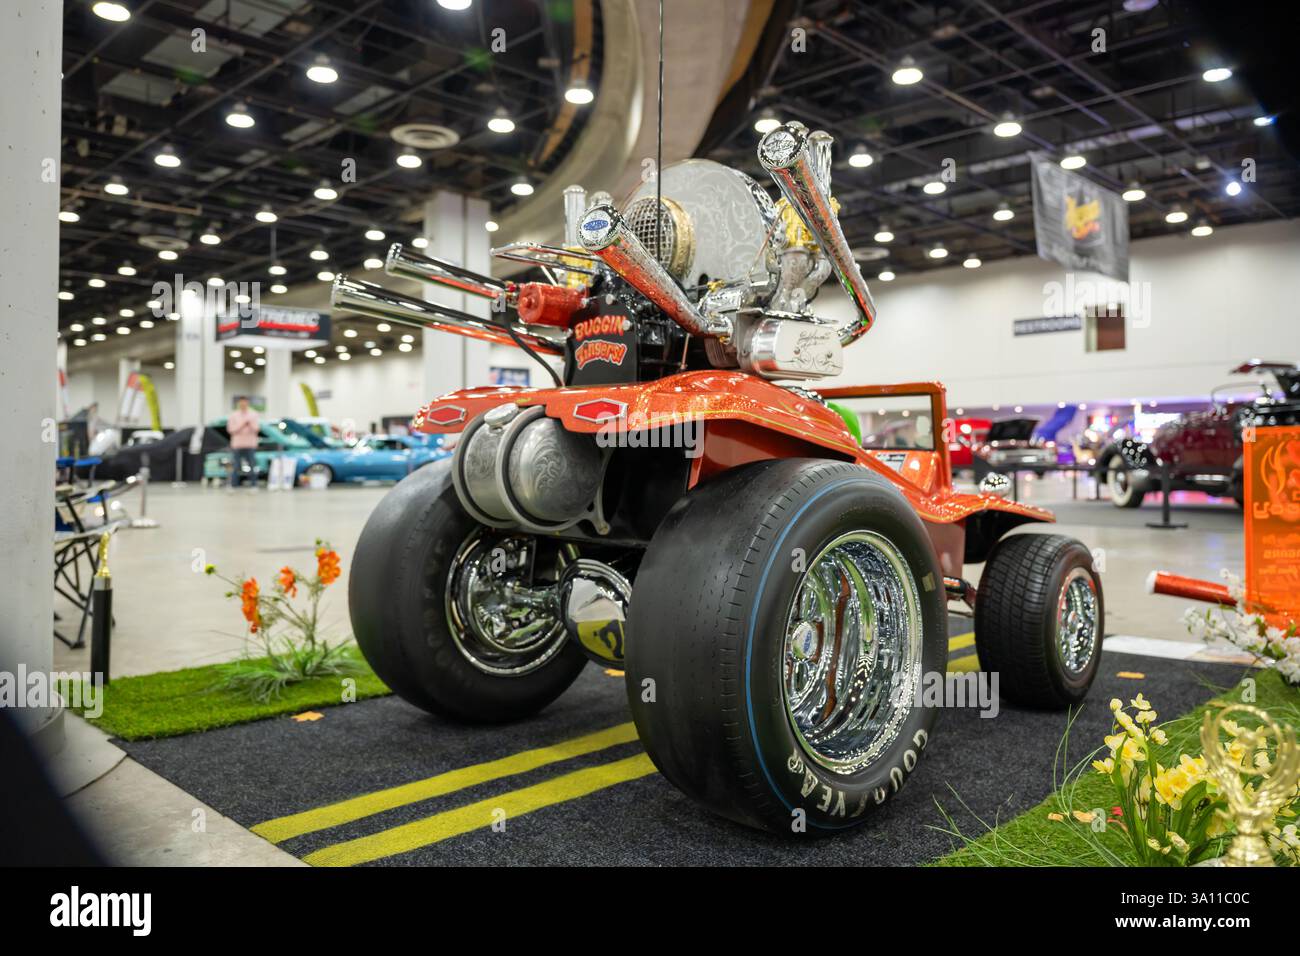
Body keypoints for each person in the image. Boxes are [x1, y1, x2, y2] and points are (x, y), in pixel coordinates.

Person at [227, 397, 260, 488]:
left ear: (247, 403)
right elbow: (231, 430)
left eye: (245, 403)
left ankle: (254, 485)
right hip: (237, 445)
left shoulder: (254, 414)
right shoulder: (234, 415)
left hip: (250, 445)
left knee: (252, 466)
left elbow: (257, 429)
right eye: (241, 403)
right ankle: (233, 486)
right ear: (239, 404)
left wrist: (250, 424)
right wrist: (243, 424)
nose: (243, 404)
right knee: (236, 466)